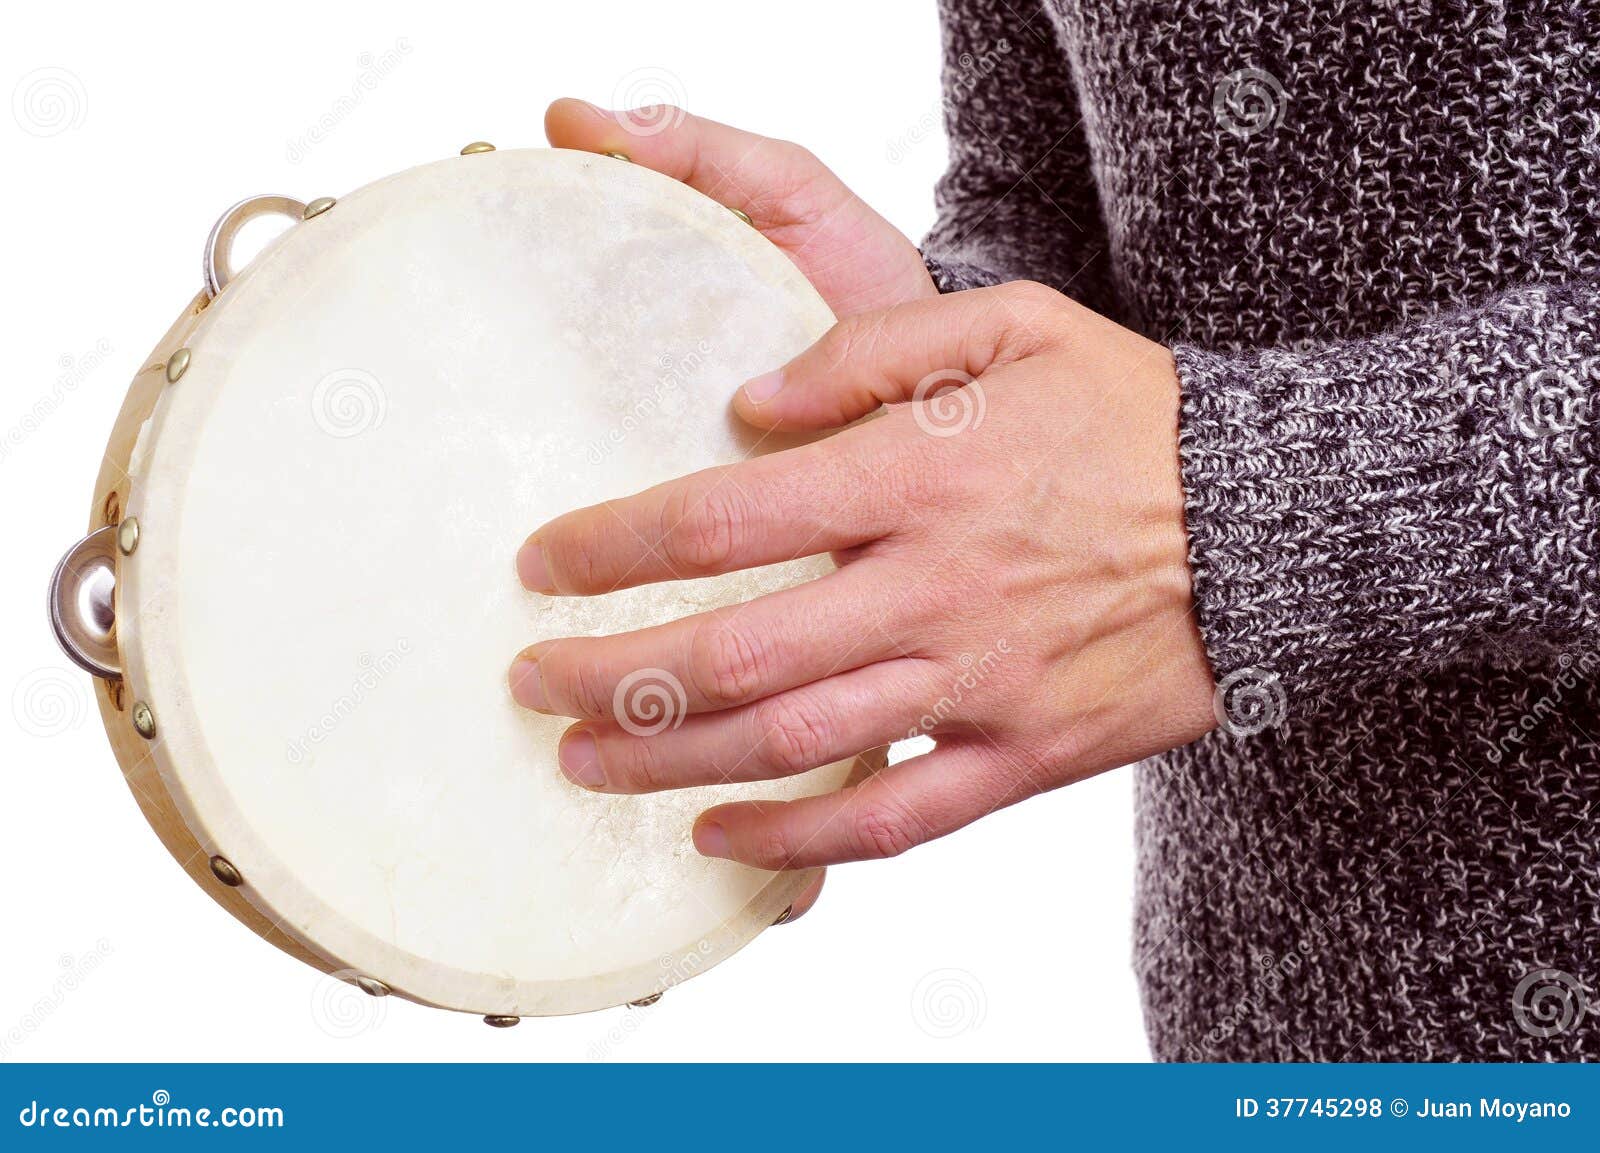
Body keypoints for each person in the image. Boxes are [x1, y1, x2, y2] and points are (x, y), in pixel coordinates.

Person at [509, 0, 1598, 1060]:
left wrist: (1257, 497)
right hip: (1271, 1022)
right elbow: (1039, 187)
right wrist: (922, 366)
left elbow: (1201, 474)